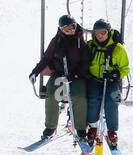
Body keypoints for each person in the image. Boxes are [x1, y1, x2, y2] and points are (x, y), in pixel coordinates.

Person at [30, 13, 90, 142]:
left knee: (79, 96)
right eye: (67, 29)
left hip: (76, 76)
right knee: (51, 95)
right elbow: (46, 58)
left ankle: (80, 128)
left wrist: (77, 74)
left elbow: (86, 61)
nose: (71, 31)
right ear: (61, 30)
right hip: (60, 75)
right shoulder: (56, 41)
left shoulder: (80, 41)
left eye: (73, 27)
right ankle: (50, 127)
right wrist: (35, 72)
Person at [85, 18, 130, 149]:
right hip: (94, 78)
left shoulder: (117, 49)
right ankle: (93, 127)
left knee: (111, 100)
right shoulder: (90, 46)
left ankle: (112, 130)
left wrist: (115, 74)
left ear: (108, 32)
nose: (99, 36)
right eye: (97, 33)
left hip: (111, 81)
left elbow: (125, 67)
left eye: (103, 33)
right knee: (93, 98)